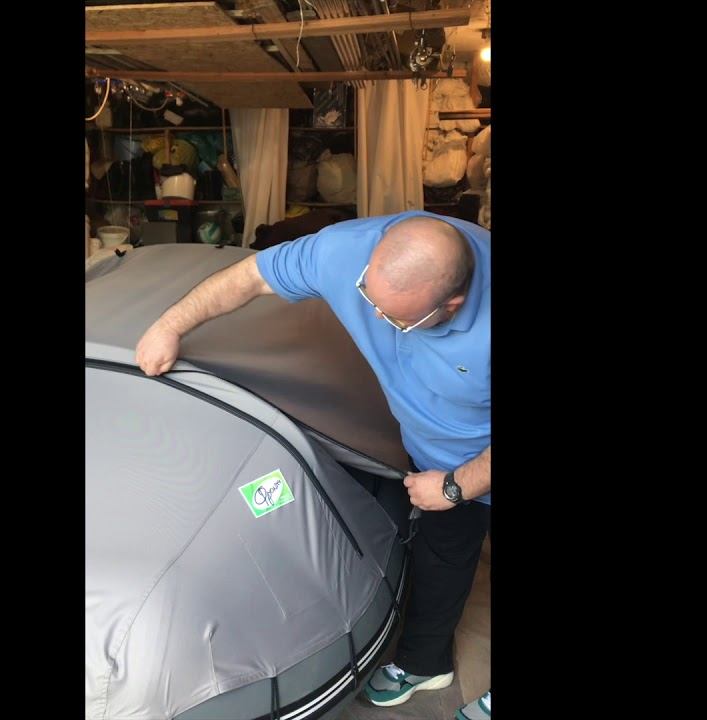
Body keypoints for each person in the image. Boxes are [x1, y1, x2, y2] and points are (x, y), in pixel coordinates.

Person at [135, 210, 491, 718]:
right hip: (437, 458)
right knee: (441, 558)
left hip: (468, 466)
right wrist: (169, 327)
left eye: (397, 319)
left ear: (452, 305)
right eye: (369, 299)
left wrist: (455, 487)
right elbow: (248, 277)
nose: (375, 319)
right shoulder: (344, 252)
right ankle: (423, 663)